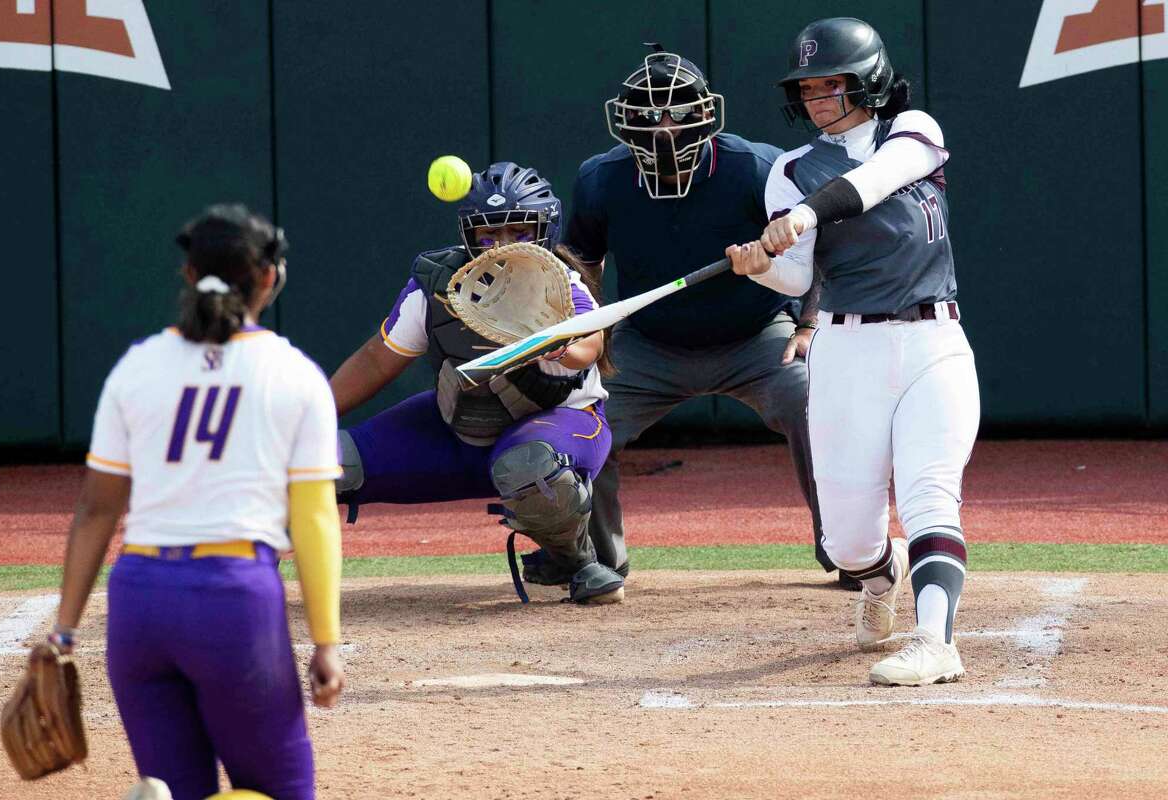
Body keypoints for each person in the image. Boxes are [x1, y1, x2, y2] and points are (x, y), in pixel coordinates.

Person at [47, 204, 346, 799]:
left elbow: (96, 511)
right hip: (232, 601)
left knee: (178, 790)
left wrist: (63, 631)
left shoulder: (135, 366)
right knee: (281, 789)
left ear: (188, 275)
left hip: (139, 602)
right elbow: (313, 518)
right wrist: (326, 641)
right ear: (270, 277)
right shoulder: (294, 374)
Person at [728, 17, 979, 686]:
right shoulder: (789, 170)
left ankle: (935, 640)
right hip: (845, 350)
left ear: (867, 82)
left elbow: (873, 182)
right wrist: (759, 263)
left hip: (933, 341)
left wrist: (805, 216)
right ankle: (880, 579)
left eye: (830, 85)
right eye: (806, 88)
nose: (815, 98)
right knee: (848, 542)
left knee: (930, 491)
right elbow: (796, 277)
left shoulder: (914, 131)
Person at [564, 46, 854, 588]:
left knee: (812, 398)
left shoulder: (756, 167)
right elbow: (582, 263)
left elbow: (820, 247)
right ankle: (597, 560)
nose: (663, 128)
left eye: (676, 111)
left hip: (757, 335)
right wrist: (592, 333)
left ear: (705, 112)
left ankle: (847, 551)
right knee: (580, 420)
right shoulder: (600, 178)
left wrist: (809, 325)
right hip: (647, 343)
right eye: (649, 115)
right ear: (624, 120)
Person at [329, 161, 624, 604]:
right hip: (459, 429)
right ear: (468, 235)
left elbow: (590, 343)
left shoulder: (564, 285)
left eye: (519, 232)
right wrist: (310, 415)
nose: (502, 246)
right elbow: (376, 360)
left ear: (545, 230)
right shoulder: (436, 286)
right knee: (319, 460)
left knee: (527, 465)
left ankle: (574, 560)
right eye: (489, 234)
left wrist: (558, 346)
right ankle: (254, 572)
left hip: (556, 427)